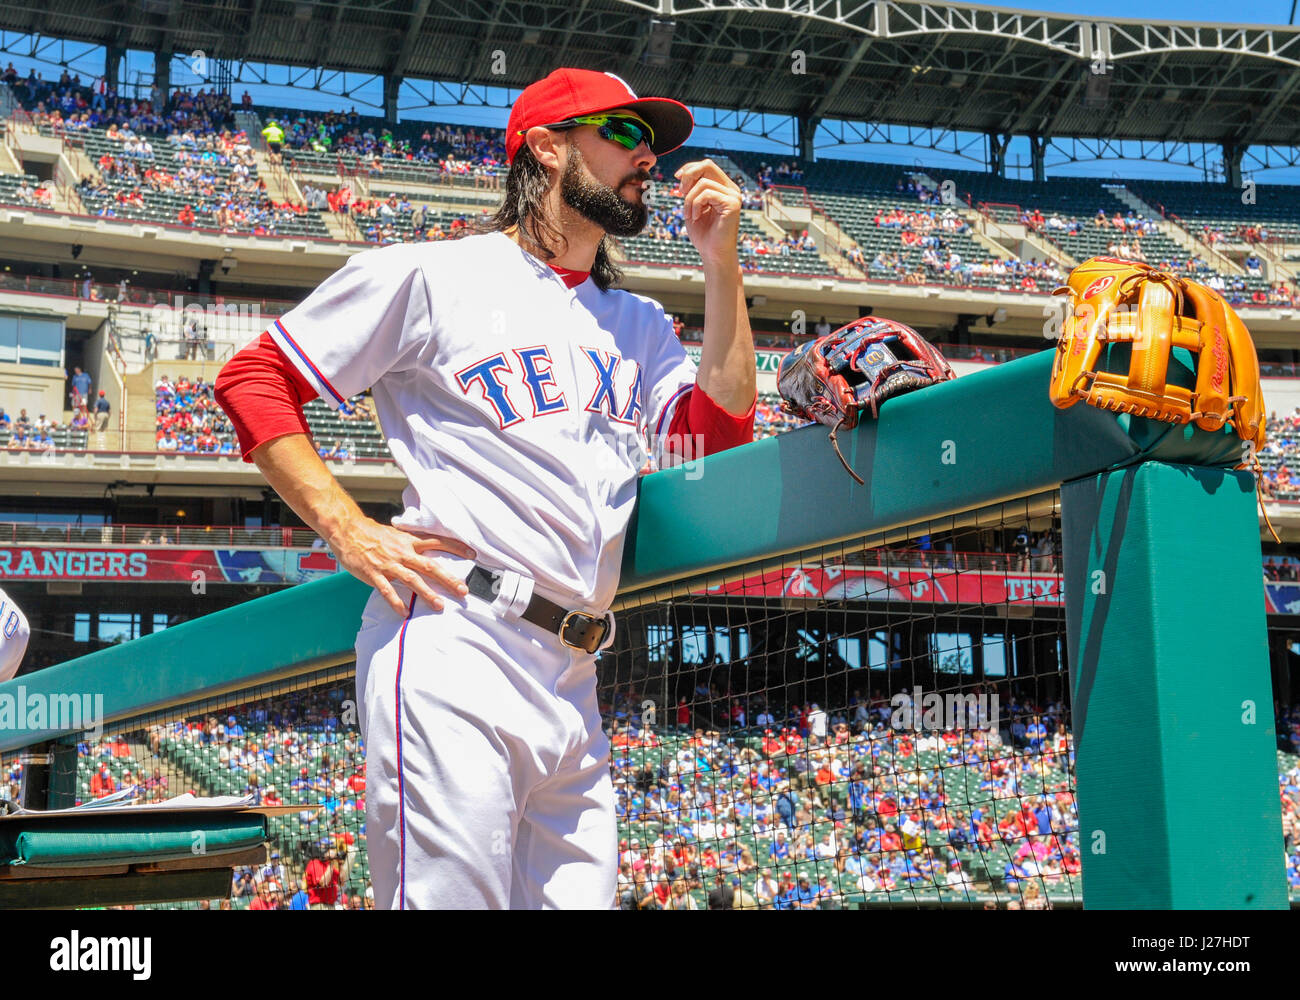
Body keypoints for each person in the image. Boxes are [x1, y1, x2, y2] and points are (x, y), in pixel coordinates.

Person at [215, 67, 755, 910]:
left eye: (652, 141)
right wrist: (347, 528)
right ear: (545, 146)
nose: (646, 155)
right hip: (457, 640)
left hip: (577, 670)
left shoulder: (641, 322)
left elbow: (714, 433)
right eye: (623, 133)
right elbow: (254, 377)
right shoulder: (435, 274)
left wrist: (722, 267)